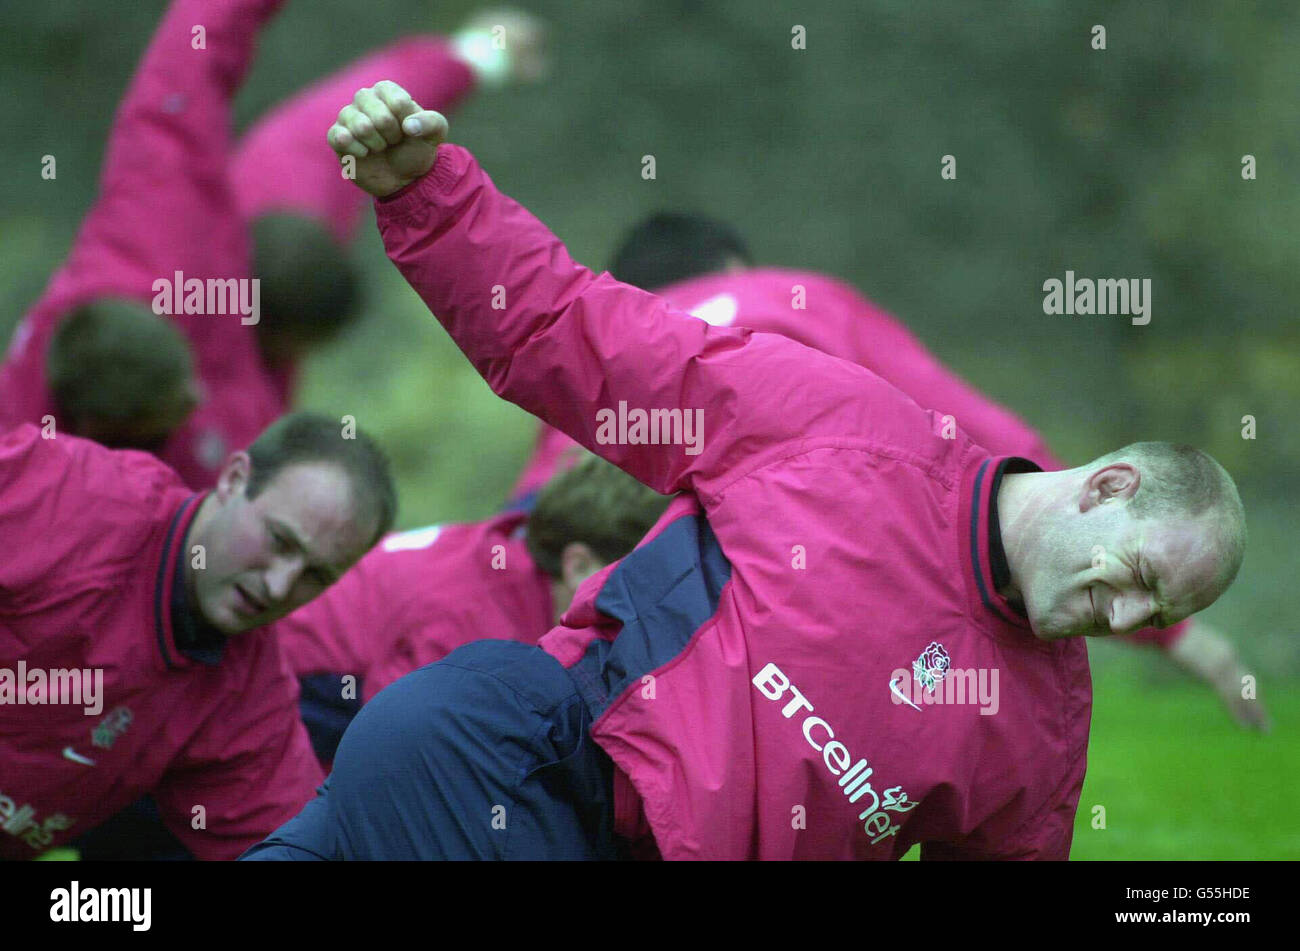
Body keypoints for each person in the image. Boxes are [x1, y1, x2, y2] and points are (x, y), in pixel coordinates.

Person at [241, 83, 1246, 860]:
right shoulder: (844, 426)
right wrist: (428, 192)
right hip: (521, 765)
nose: (1120, 624)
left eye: (1151, 620)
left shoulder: (1041, 730)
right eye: (1137, 580)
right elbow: (573, 332)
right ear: (1107, 486)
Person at [510, 211, 1269, 731]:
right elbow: (997, 450)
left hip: (582, 571)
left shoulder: (625, 329)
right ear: (737, 266)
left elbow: (536, 516)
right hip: (727, 576)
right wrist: (1176, 636)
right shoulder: (799, 297)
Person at [0, 412, 396, 860]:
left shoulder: (248, 700)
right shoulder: (65, 496)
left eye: (315, 575)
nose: (279, 586)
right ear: (232, 479)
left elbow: (293, 847)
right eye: (281, 541)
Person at [278, 452, 670, 768]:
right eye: (641, 587)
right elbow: (394, 757)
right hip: (294, 688)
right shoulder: (476, 629)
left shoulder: (511, 559)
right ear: (579, 565)